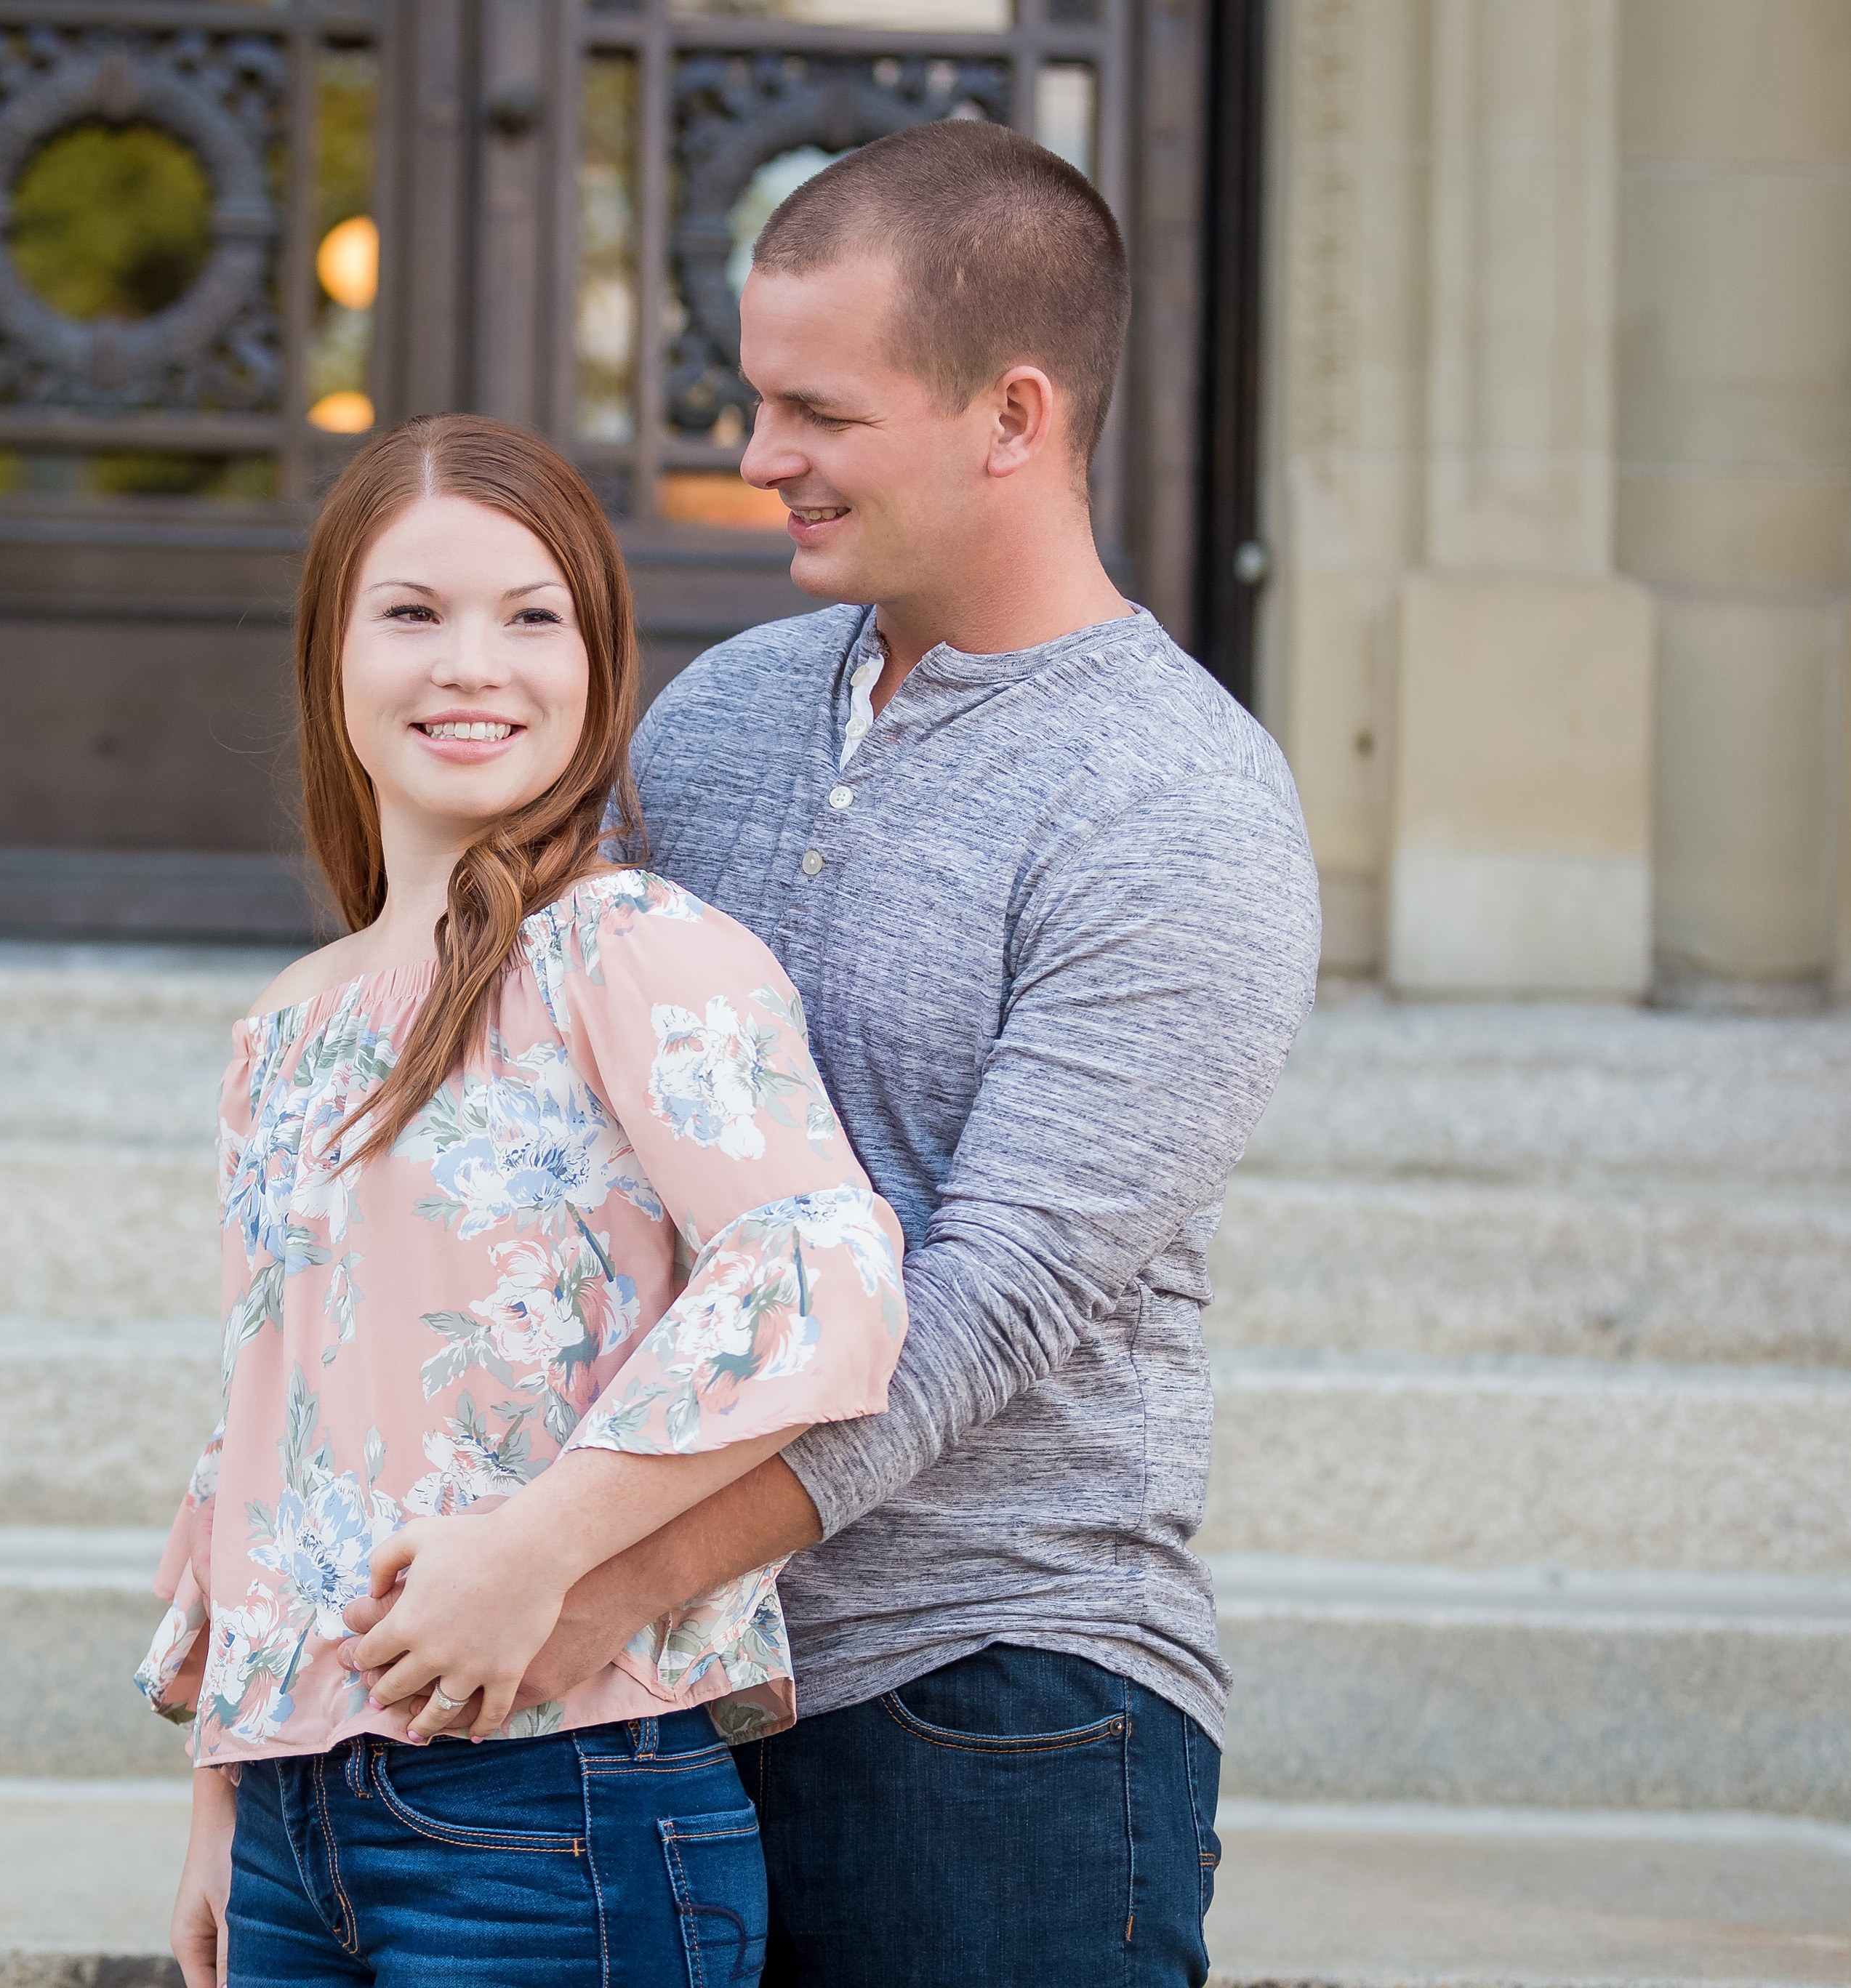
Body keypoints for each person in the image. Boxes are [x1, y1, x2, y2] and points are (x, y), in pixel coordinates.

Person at [346, 121, 1322, 1987]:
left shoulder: (1181, 807)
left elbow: (989, 1308)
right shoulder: (723, 712)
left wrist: (588, 1579)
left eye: (817, 412)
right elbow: (530, 1156)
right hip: (652, 1714)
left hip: (994, 1706)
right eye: (752, 397)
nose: (758, 457)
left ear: (1011, 416)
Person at [140, 412, 910, 1988]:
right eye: (412, 613)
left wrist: (544, 1548)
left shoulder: (631, 948)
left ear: (598, 656)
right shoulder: (291, 1022)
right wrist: (227, 1787)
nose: (471, 665)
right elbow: (266, 1427)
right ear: (332, 657)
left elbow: (824, 1273)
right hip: (298, 1825)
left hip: (563, 1797)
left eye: (531, 615)